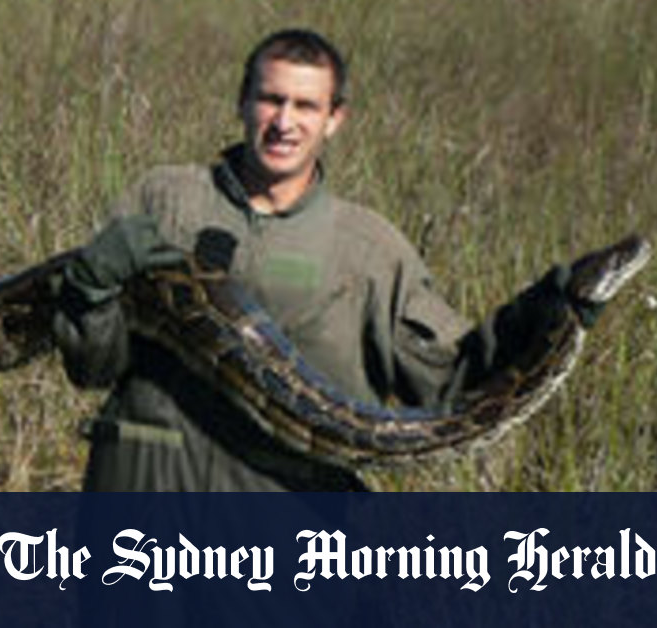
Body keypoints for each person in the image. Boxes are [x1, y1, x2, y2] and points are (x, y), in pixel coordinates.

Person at [53, 29, 599, 492]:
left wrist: (544, 316)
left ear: (334, 119)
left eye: (306, 105)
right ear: (242, 101)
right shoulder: (164, 201)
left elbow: (451, 385)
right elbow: (92, 367)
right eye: (270, 99)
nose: (284, 122)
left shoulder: (367, 249)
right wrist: (90, 287)